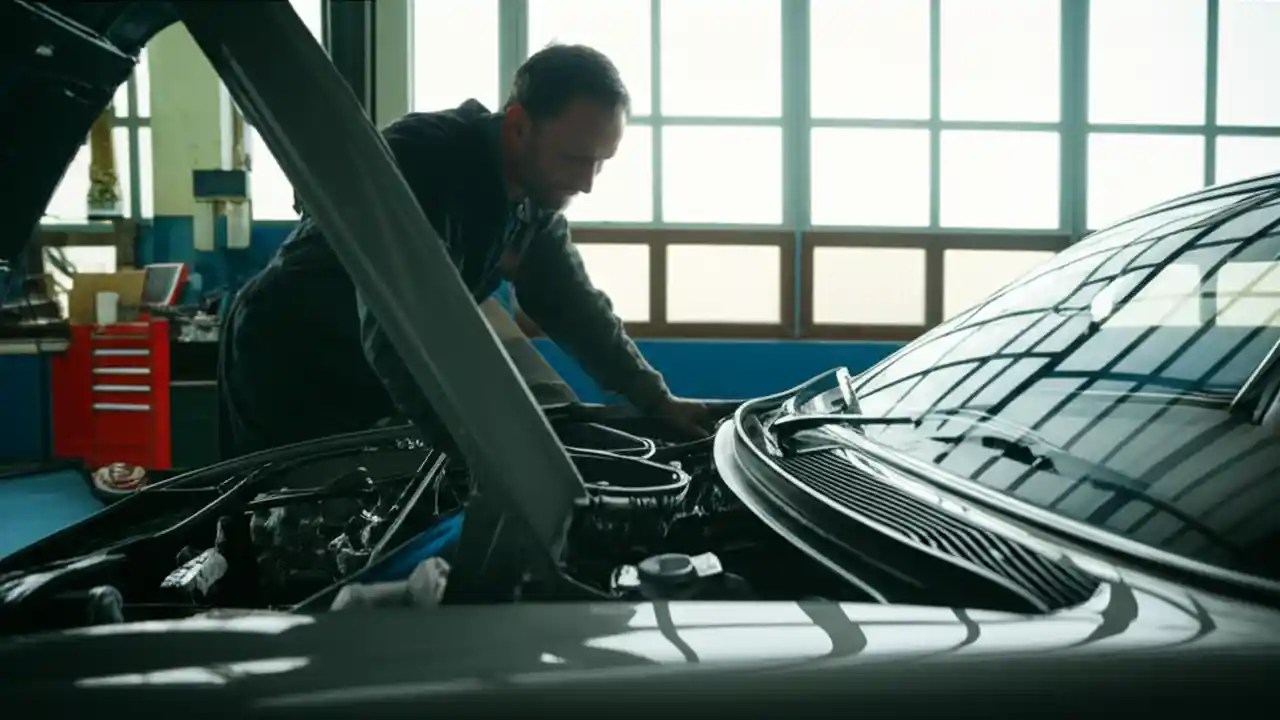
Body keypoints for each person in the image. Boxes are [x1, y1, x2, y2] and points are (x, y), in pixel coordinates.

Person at [217, 44, 712, 459]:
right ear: (519, 126)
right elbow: (398, 328)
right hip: (287, 357)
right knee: (283, 527)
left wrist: (655, 398)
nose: (586, 184)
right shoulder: (422, 162)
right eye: (575, 159)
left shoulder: (534, 196)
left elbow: (573, 306)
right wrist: (485, 453)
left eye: (601, 163)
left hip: (361, 369)